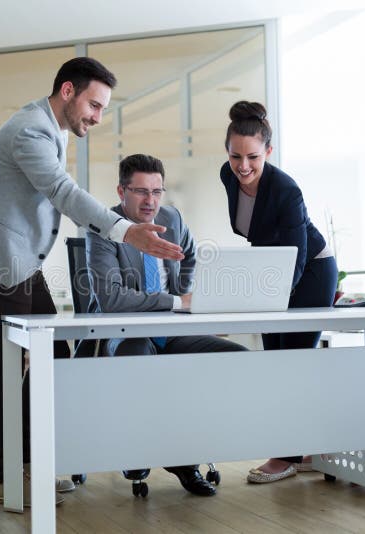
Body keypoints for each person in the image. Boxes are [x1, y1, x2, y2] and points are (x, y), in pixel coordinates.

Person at [0, 57, 185, 508]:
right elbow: (62, 192)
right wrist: (123, 229)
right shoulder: (30, 130)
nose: (97, 117)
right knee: (8, 363)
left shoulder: (50, 126)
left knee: (54, 352)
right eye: (94, 105)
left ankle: (31, 460)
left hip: (20, 259)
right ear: (67, 92)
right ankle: (8, 475)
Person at [85, 153, 248, 497]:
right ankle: (157, 453)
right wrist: (176, 302)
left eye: (157, 191)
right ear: (121, 191)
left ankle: (181, 451)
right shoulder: (102, 228)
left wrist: (183, 293)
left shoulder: (172, 218)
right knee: (144, 365)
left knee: (235, 358)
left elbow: (189, 256)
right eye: (141, 192)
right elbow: (113, 300)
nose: (151, 201)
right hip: (125, 333)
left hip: (172, 331)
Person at [219, 101, 338, 484]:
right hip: (270, 267)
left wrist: (267, 298)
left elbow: (297, 259)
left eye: (253, 156)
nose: (243, 166)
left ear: (268, 152)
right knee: (275, 359)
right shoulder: (227, 175)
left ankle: (285, 455)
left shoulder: (286, 190)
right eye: (236, 155)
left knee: (292, 360)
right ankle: (301, 449)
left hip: (311, 271)